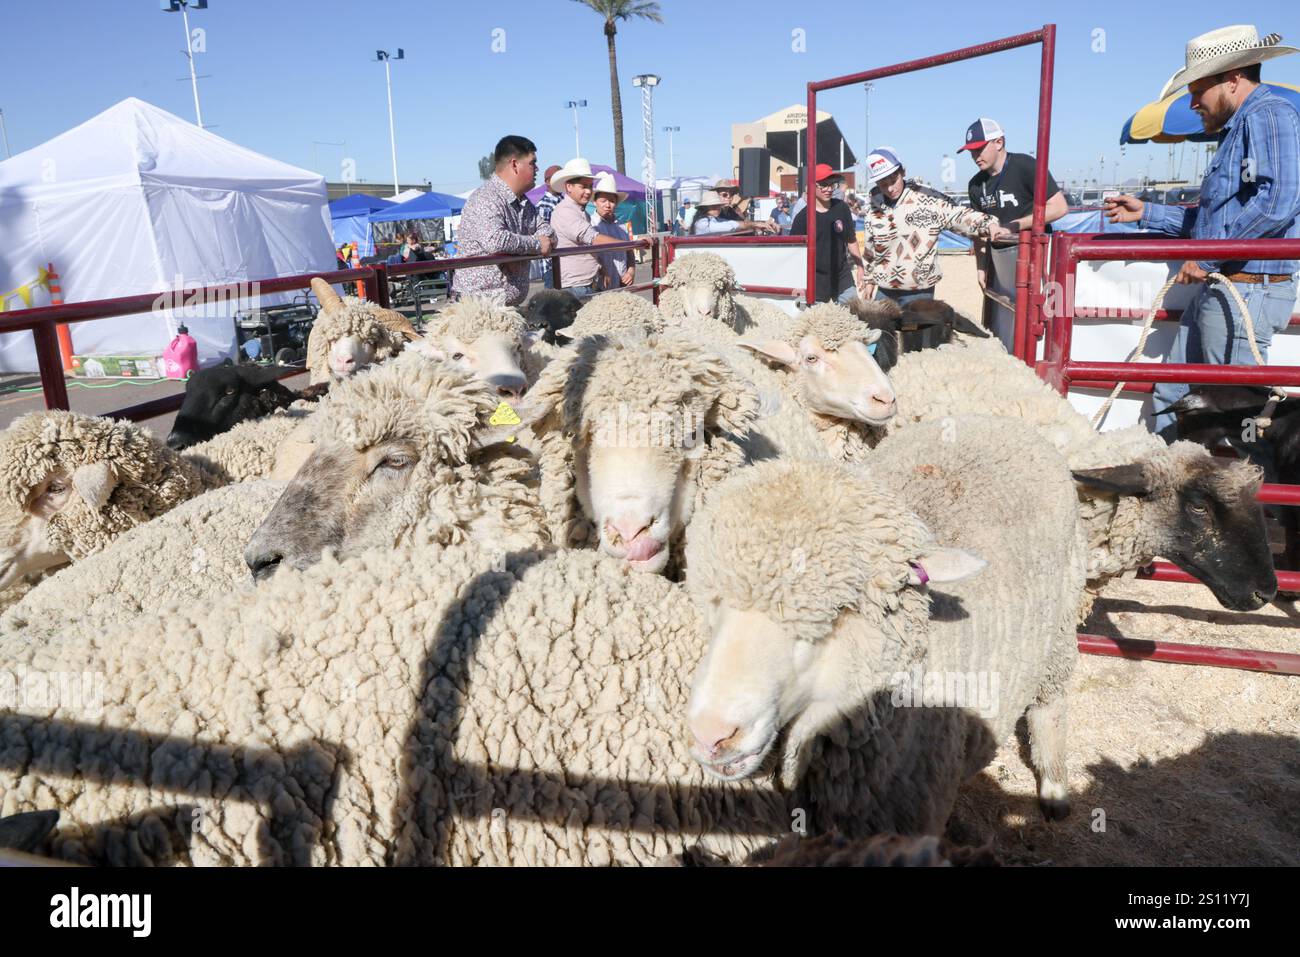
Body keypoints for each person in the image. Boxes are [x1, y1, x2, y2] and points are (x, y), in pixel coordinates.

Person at [1104, 25, 1300, 441]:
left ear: (1231, 80)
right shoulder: (1246, 125)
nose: (1193, 102)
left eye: (1198, 90)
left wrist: (1207, 258)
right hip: (1230, 286)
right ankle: (1171, 487)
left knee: (1241, 414)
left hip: (1245, 289)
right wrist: (1147, 213)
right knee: (1177, 392)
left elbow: (1279, 201)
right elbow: (1216, 224)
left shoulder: (1269, 115)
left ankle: (1266, 503)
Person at [859, 147, 1009, 307]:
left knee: (917, 332)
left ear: (902, 171)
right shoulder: (872, 205)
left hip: (919, 290)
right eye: (883, 184)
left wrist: (989, 224)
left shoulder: (928, 198)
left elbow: (957, 215)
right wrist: (869, 281)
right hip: (885, 290)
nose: (890, 188)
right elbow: (871, 247)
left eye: (893, 180)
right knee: (880, 332)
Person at [450, 135, 556, 306]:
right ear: (514, 164)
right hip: (477, 309)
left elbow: (548, 232)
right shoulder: (485, 199)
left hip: (501, 308)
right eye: (532, 163)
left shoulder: (524, 203)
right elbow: (496, 240)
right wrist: (536, 245)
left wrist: (520, 252)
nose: (537, 169)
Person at [548, 158, 629, 299]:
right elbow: (592, 238)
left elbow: (589, 244)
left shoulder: (581, 212)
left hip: (585, 282)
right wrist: (629, 245)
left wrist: (601, 268)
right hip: (576, 285)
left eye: (590, 186)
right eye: (583, 186)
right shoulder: (565, 211)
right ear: (569, 187)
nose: (587, 191)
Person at [789, 164, 867, 303]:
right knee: (820, 322)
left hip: (842, 276)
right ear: (812, 186)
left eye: (832, 184)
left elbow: (850, 239)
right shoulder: (803, 217)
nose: (829, 189)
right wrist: (796, 283)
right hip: (816, 281)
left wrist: (860, 266)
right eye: (823, 185)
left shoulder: (841, 207)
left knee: (854, 316)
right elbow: (794, 252)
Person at [590, 171, 634, 290]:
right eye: (603, 201)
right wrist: (601, 268)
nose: (607, 205)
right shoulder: (590, 225)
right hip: (600, 287)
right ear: (595, 202)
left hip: (621, 285)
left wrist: (630, 271)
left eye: (612, 201)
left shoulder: (622, 227)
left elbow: (630, 253)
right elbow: (588, 254)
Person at [712, 178, 776, 233]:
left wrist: (765, 224)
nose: (729, 197)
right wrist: (758, 224)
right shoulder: (713, 213)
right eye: (725, 195)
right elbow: (737, 225)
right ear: (716, 195)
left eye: (731, 194)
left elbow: (745, 222)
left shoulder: (731, 210)